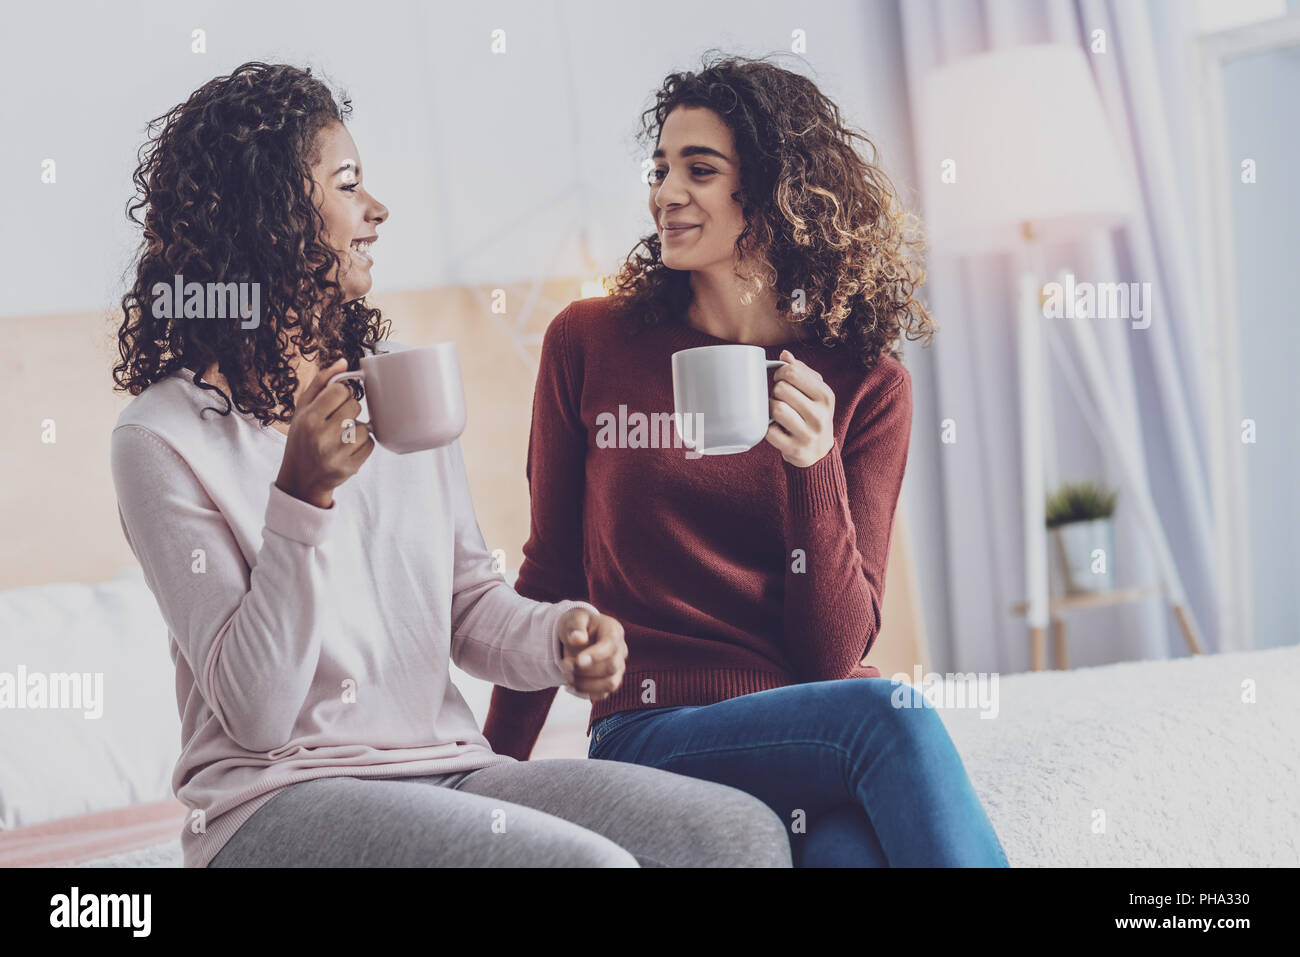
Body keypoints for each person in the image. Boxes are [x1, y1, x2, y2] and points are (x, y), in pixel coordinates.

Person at [109, 61, 791, 868]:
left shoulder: (401, 380)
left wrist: (558, 637)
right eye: (347, 185)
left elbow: (467, 605)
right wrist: (300, 497)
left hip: (452, 769)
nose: (377, 209)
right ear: (266, 215)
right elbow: (256, 715)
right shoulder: (161, 437)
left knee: (738, 834)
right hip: (273, 805)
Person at [483, 55, 1009, 867]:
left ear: (771, 192)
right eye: (660, 169)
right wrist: (492, 774)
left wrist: (813, 466)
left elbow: (832, 656)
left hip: (811, 724)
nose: (665, 193)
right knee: (893, 712)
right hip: (651, 730)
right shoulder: (587, 341)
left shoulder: (870, 384)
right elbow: (552, 572)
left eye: (699, 169)